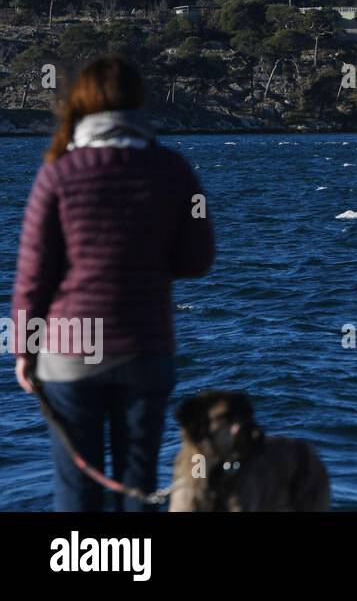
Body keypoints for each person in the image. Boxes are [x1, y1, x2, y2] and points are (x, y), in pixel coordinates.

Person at [10, 55, 215, 511]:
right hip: (144, 344)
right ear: (138, 101)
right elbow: (197, 260)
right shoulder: (174, 170)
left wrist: (24, 348)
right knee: (137, 484)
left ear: (80, 103)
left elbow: (33, 273)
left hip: (69, 348)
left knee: (77, 488)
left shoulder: (59, 173)